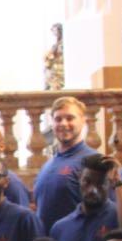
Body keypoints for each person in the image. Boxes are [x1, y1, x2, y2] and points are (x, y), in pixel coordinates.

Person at [33, 96, 95, 233]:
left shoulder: (93, 161)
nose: (63, 123)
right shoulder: (48, 164)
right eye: (58, 119)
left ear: (83, 121)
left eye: (70, 118)